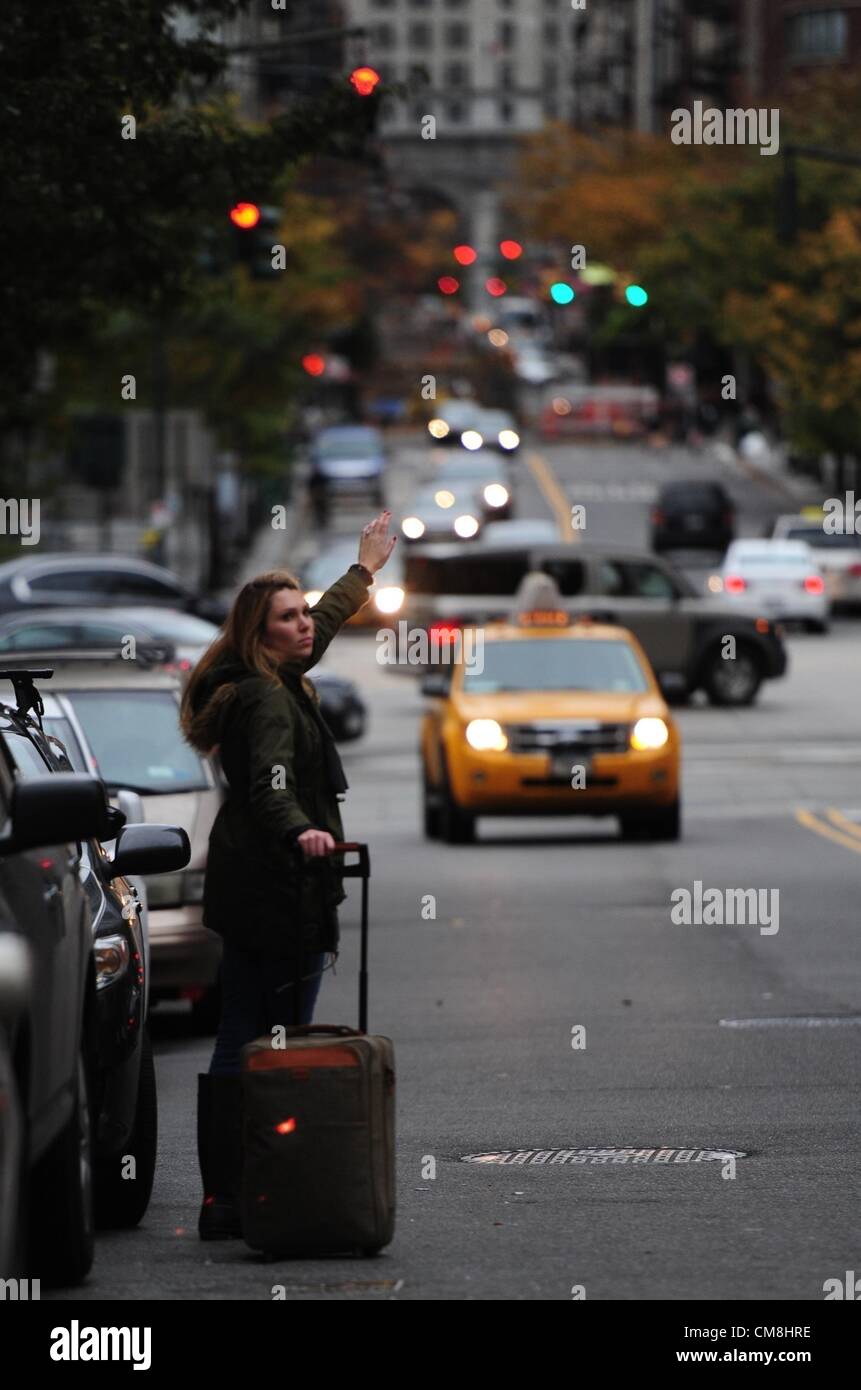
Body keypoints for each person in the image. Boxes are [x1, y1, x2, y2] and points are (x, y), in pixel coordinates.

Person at [179, 511, 396, 1239]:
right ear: (259, 633)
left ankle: (241, 1191)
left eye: (304, 612)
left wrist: (364, 573)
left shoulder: (260, 678)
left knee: (258, 1031)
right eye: (288, 617)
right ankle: (239, 1193)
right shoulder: (270, 698)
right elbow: (272, 787)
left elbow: (323, 626)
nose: (305, 625)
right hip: (275, 888)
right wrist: (300, 830)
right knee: (264, 1035)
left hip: (259, 887)